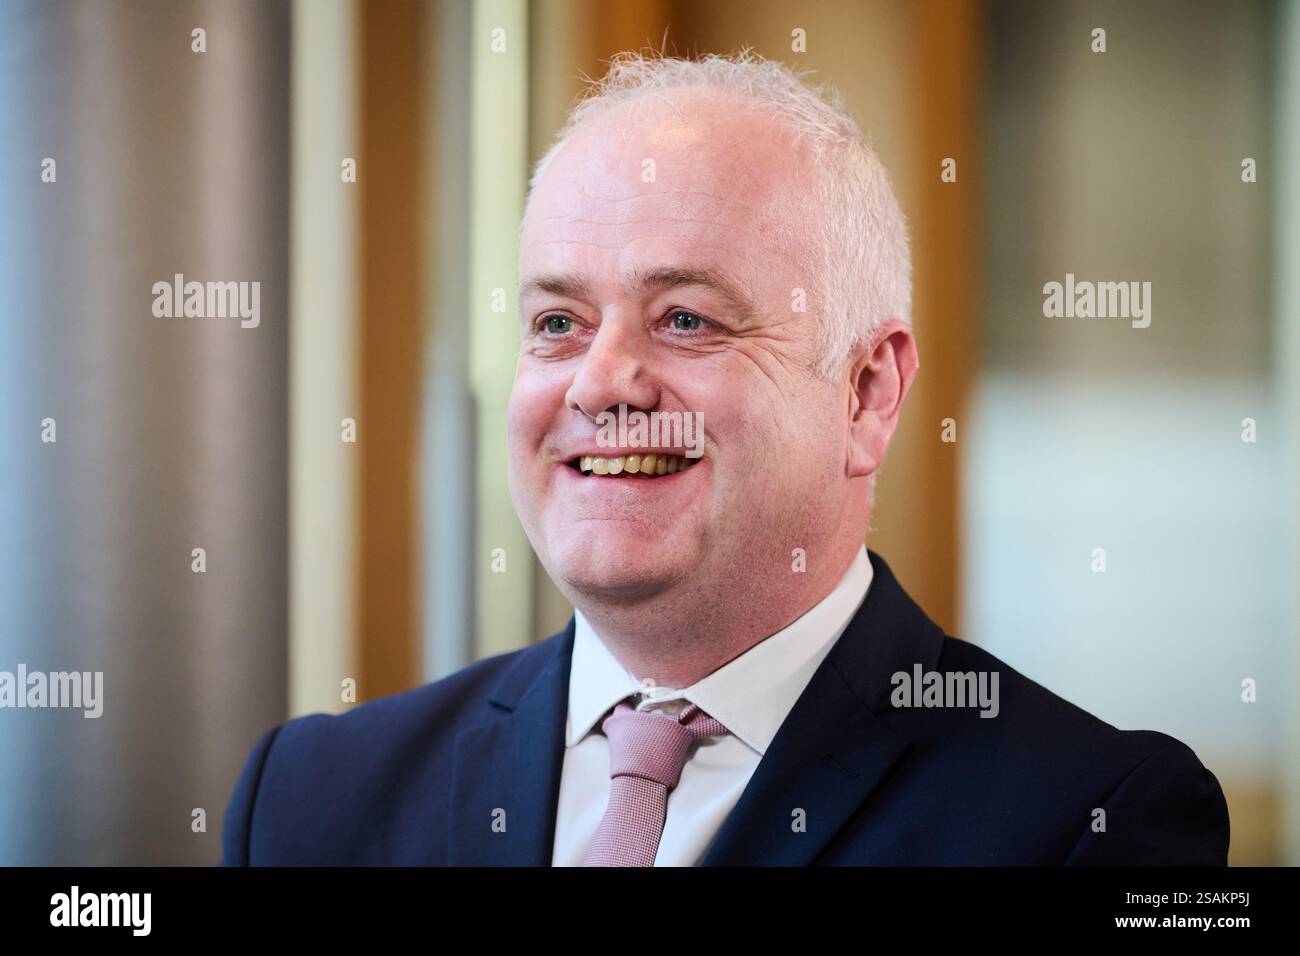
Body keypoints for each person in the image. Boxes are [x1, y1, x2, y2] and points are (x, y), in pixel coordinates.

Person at [221, 51, 1229, 866]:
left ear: (867, 390)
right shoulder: (313, 794)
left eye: (687, 318)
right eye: (559, 320)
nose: (602, 382)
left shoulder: (1086, 821)